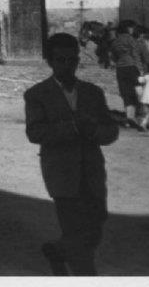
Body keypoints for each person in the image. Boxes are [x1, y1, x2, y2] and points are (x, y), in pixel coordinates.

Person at [24, 32, 119, 276]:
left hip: (93, 173)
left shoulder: (93, 92)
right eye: (60, 60)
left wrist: (95, 130)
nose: (67, 65)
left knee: (95, 228)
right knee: (78, 238)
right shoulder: (37, 94)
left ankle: (58, 251)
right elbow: (35, 133)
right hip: (62, 175)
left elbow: (111, 131)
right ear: (50, 61)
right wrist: (73, 127)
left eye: (72, 59)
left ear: (78, 59)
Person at [109, 20, 142, 127]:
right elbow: (135, 55)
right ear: (127, 28)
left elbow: (113, 57)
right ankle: (141, 114)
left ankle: (129, 117)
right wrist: (140, 69)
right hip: (132, 67)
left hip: (120, 69)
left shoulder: (115, 41)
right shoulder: (131, 39)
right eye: (131, 27)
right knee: (138, 90)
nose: (133, 30)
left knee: (125, 92)